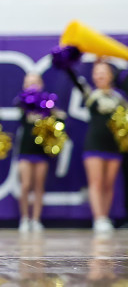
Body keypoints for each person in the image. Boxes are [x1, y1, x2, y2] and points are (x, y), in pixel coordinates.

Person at [66, 61, 127, 234]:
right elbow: (75, 79)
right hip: (94, 143)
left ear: (110, 75)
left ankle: (105, 216)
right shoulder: (90, 94)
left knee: (109, 183)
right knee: (96, 182)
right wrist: (68, 59)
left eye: (103, 72)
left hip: (113, 145)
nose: (99, 76)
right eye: (96, 73)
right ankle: (98, 218)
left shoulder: (120, 97)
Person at [12, 72, 52, 234]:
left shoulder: (47, 102)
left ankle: (36, 219)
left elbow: (56, 119)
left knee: (38, 185)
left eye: (35, 82)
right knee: (25, 184)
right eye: (29, 83)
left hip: (40, 148)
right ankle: (24, 218)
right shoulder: (21, 101)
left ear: (41, 84)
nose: (32, 86)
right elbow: (19, 110)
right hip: (25, 148)